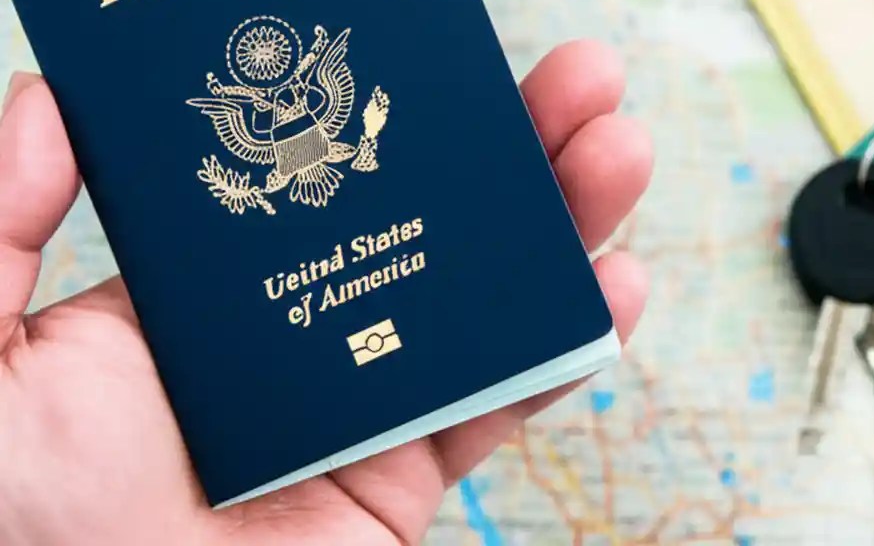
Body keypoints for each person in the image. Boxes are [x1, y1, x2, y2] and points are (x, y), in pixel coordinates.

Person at [0, 40, 654, 545]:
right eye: (276, 105)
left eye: (290, 100)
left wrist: (363, 126)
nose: (283, 106)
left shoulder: (306, 111)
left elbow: (341, 137)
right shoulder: (266, 126)